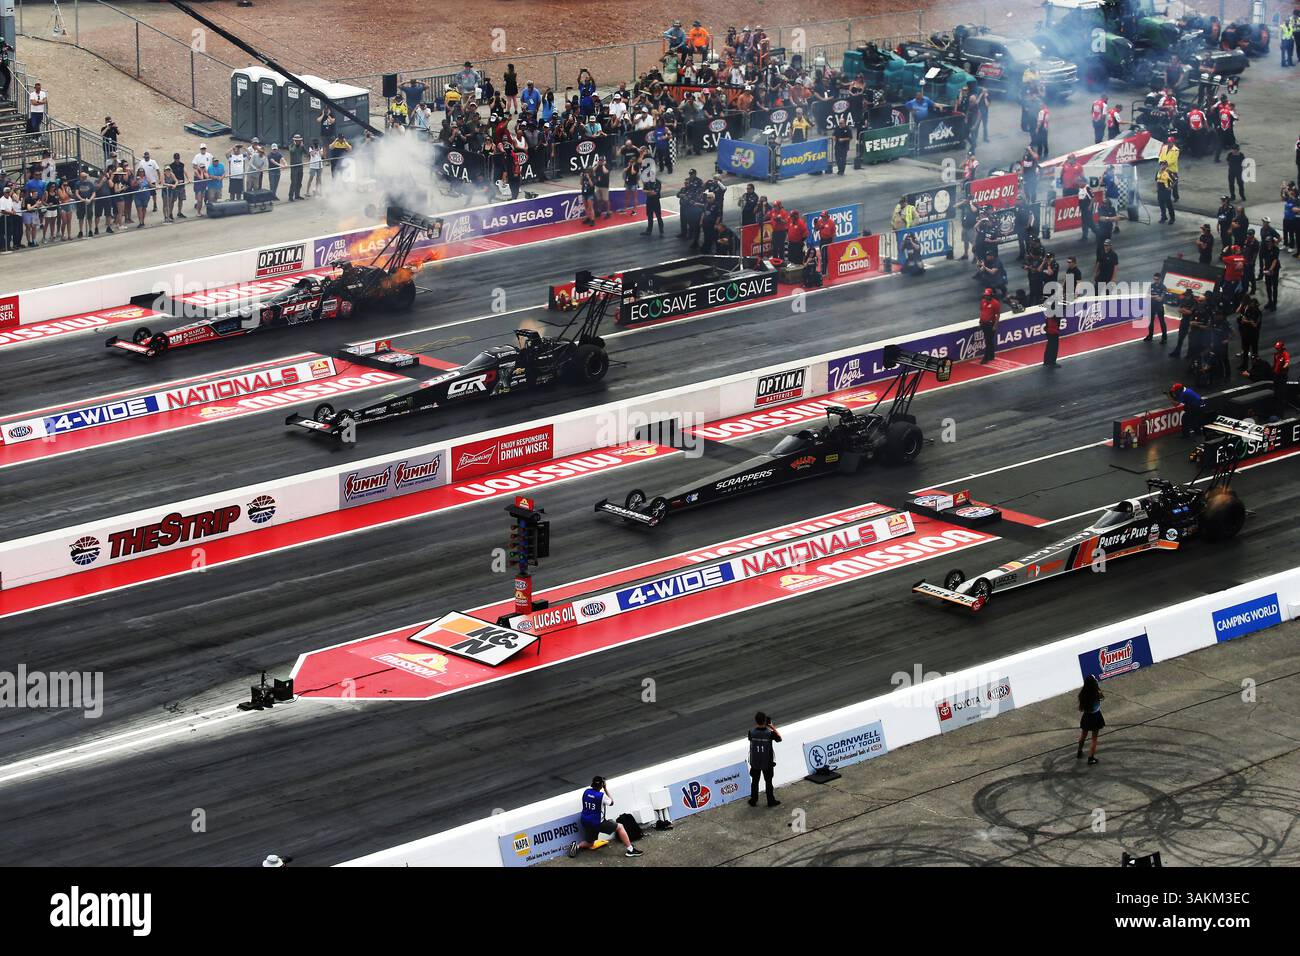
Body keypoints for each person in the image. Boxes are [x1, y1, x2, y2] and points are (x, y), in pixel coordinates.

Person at [567, 776, 642, 858]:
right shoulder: (601, 796)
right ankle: (630, 850)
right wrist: (605, 789)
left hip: (586, 821)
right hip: (598, 823)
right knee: (620, 827)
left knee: (590, 843)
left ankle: (577, 846)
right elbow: (611, 802)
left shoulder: (586, 792)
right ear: (602, 785)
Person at [747, 712, 782, 807]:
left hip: (755, 761)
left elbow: (750, 739)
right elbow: (779, 738)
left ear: (756, 721)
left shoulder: (751, 732)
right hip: (767, 762)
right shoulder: (770, 733)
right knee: (768, 782)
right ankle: (770, 801)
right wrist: (772, 726)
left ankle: (753, 800)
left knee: (755, 781)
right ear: (765, 721)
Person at [1076, 675, 1104, 765]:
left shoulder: (1082, 694)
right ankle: (1091, 758)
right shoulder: (1096, 693)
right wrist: (1098, 688)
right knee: (1094, 738)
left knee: (1083, 735)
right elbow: (1102, 698)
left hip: (1086, 716)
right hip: (1095, 716)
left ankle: (1079, 751)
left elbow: (1081, 707)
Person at [978, 287, 1000, 364]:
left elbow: (997, 315)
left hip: (990, 324)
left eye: (987, 295)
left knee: (988, 341)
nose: (986, 296)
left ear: (991, 295)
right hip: (984, 323)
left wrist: (995, 325)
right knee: (989, 340)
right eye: (985, 295)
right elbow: (982, 312)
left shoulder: (995, 303)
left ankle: (985, 358)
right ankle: (991, 355)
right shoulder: (983, 301)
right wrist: (980, 322)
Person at [1146, 273, 1167, 343]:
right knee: (1150, 322)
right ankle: (1150, 336)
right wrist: (1155, 296)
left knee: (1162, 322)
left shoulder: (1163, 287)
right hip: (1152, 306)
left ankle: (1164, 338)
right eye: (1154, 279)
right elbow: (1147, 296)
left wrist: (1152, 296)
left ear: (1160, 279)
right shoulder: (1151, 285)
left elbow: (1160, 299)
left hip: (1159, 307)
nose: (1155, 280)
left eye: (1157, 279)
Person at [1272, 340, 1291, 404]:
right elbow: (1275, 364)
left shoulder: (1285, 354)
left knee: (1282, 389)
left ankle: (1283, 401)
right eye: (1276, 348)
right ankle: (1276, 400)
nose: (1276, 349)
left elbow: (1287, 362)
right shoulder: (1276, 354)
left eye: (1278, 348)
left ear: (1282, 348)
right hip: (1276, 374)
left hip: (1282, 375)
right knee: (1276, 388)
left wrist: (1284, 367)